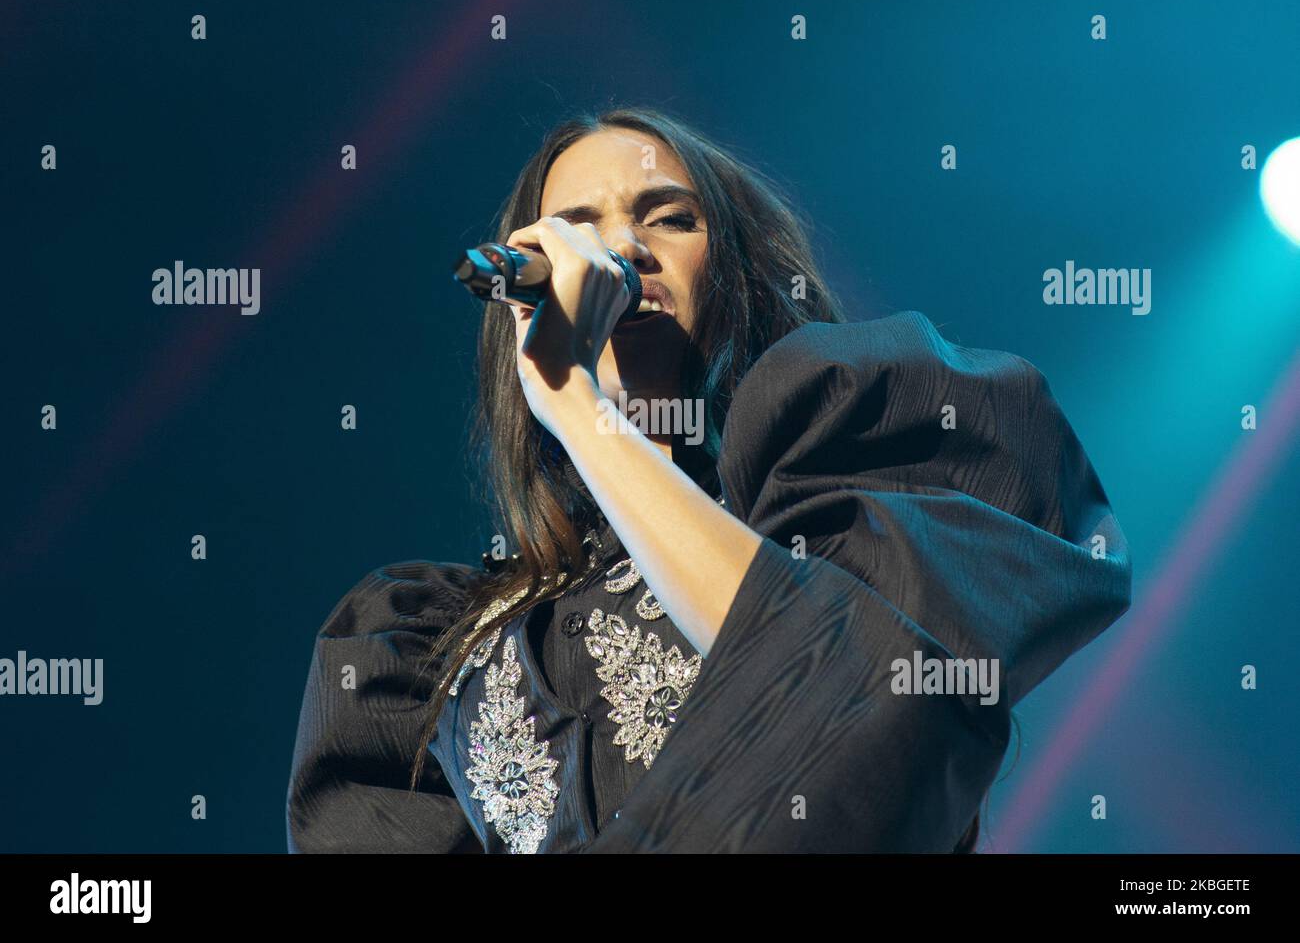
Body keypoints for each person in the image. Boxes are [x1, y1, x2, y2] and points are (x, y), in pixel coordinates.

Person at [285, 106, 1132, 854]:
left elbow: (849, 692)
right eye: (576, 228)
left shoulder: (851, 464)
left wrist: (580, 408)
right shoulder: (422, 641)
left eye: (670, 218)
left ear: (736, 272)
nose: (620, 250)